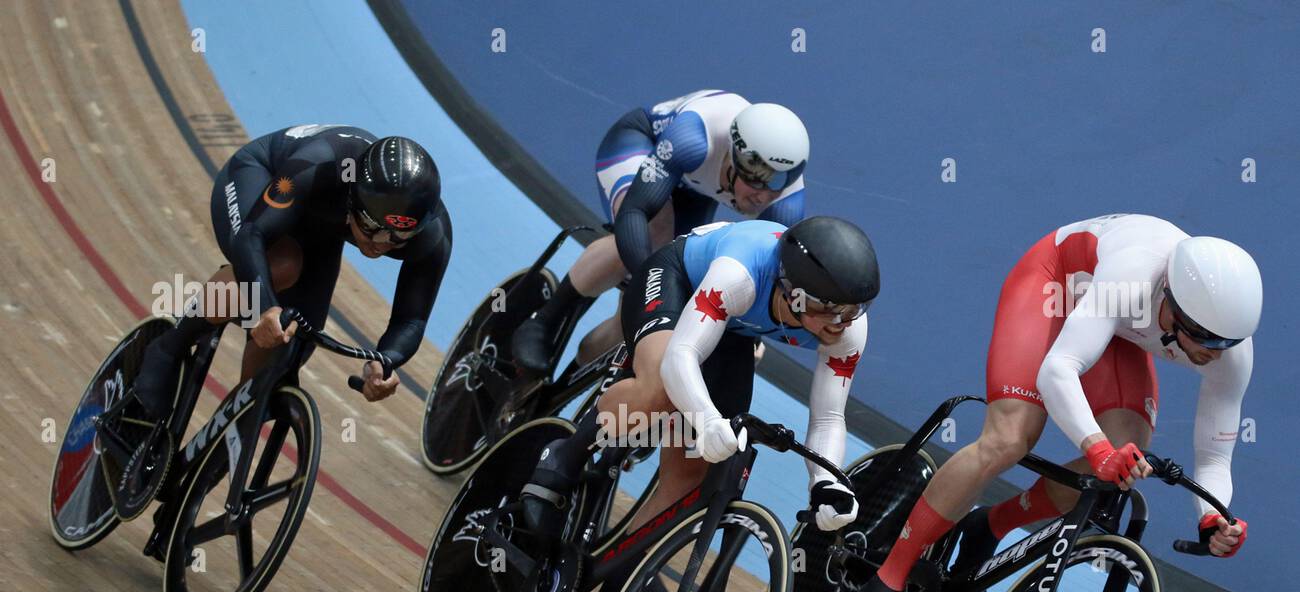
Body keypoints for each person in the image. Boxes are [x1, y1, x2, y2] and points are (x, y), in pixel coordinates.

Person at [853, 214, 1259, 592]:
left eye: (1225, 344)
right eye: (1204, 340)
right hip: (1056, 284)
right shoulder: (1132, 274)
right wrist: (1096, 448)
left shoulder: (1229, 353)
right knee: (1010, 437)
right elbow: (1057, 370)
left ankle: (991, 524)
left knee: (1123, 463)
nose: (1212, 354)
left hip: (1118, 324)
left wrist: (1213, 517)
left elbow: (1215, 460)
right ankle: (887, 579)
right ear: (1174, 305)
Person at [519, 216, 879, 543]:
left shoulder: (848, 329)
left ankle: (615, 578)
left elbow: (829, 417)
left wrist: (825, 482)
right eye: (834, 310)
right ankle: (563, 456)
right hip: (678, 281)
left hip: (733, 328)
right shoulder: (739, 273)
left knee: (698, 473)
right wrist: (706, 420)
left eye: (855, 310)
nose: (845, 322)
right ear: (796, 297)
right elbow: (681, 356)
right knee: (659, 391)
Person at [132, 124, 451, 418]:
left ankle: (229, 433)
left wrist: (386, 361)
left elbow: (412, 319)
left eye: (398, 238)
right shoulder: (323, 163)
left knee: (287, 353)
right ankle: (168, 349)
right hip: (262, 180)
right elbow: (250, 236)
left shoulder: (433, 235)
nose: (382, 244)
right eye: (371, 229)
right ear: (352, 199)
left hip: (324, 229)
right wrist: (263, 308)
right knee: (280, 267)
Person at [509, 92, 810, 374]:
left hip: (696, 191)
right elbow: (635, 212)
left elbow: (763, 282)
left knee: (653, 305)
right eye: (757, 180)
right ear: (732, 157)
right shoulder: (694, 138)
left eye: (778, 182)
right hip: (643, 145)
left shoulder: (784, 207)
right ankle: (545, 321)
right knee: (653, 235)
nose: (764, 195)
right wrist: (650, 283)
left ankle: (570, 382)